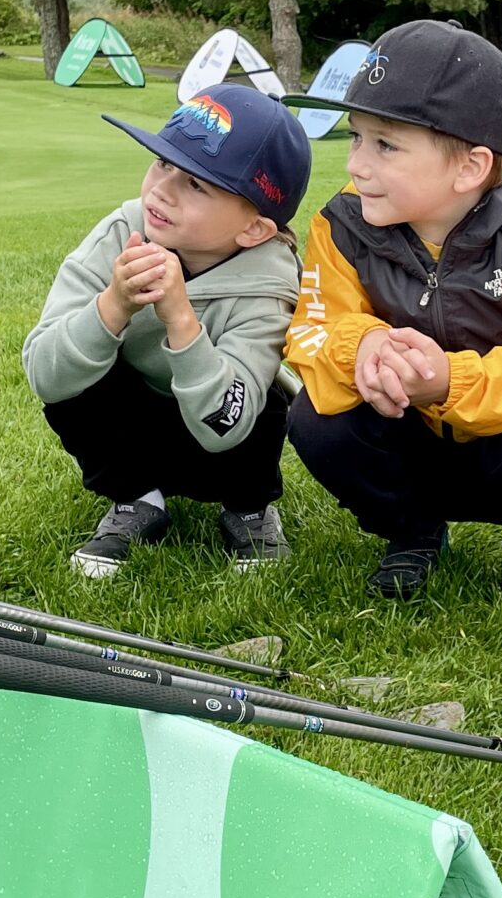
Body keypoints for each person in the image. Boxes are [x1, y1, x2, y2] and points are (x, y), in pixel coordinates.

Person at [286, 20, 502, 601]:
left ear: (469, 166)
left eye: (385, 144)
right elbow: (310, 332)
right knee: (317, 419)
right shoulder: (340, 225)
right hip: (408, 441)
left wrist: (450, 380)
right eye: (356, 137)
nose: (356, 165)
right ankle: (412, 531)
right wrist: (361, 345)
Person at [25, 87, 311, 575]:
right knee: (80, 375)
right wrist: (113, 306)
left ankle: (249, 509)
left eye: (197, 184)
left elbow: (227, 425)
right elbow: (45, 375)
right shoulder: (121, 232)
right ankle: (139, 499)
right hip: (134, 422)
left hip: (221, 443)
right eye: (162, 163)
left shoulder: (271, 281)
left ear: (255, 230)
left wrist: (181, 319)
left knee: (265, 400)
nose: (162, 189)